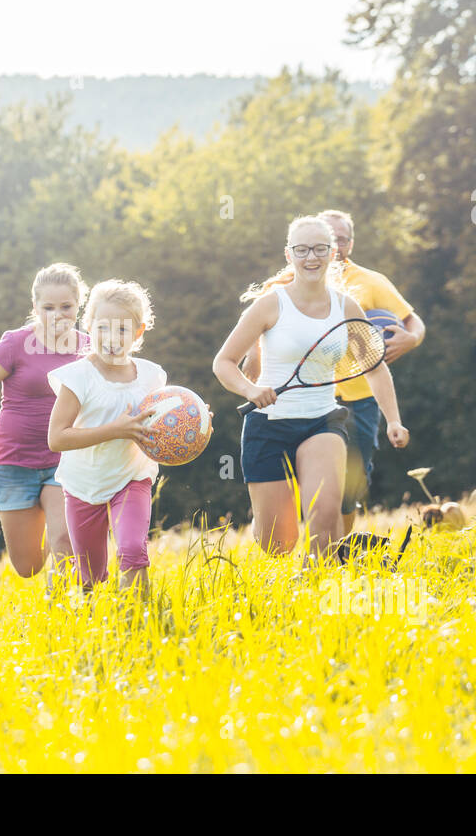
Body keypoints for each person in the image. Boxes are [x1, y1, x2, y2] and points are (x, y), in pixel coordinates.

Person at [213, 215, 409, 561]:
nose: (311, 257)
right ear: (289, 255)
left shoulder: (346, 307)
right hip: (267, 425)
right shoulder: (270, 304)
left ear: (333, 253)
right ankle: (272, 532)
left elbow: (375, 369)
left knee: (325, 515)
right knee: (278, 544)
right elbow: (223, 363)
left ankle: (316, 581)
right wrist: (249, 390)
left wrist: (393, 420)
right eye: (302, 250)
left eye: (320, 249)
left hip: (323, 421)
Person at [0, 263, 89, 586]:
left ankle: (63, 615)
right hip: (14, 462)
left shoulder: (88, 348)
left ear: (79, 306)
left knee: (65, 542)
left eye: (66, 307)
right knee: (27, 566)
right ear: (35, 308)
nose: (57, 314)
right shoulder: (16, 344)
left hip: (65, 459)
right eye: (48, 308)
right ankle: (47, 539)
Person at [46, 280, 165, 596]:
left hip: (131, 477)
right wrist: (116, 430)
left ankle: (138, 625)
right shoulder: (77, 377)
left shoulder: (152, 376)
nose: (112, 339)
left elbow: (167, 417)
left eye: (123, 330)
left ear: (139, 332)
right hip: (83, 485)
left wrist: (197, 420)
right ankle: (98, 628)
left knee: (132, 550)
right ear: (88, 325)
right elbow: (56, 438)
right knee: (90, 579)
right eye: (103, 328)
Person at [319, 210, 425, 537]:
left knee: (354, 481)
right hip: (314, 397)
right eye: (328, 237)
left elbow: (412, 322)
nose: (335, 244)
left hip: (361, 399)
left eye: (341, 238)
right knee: (320, 478)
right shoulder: (297, 281)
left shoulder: (370, 281)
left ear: (350, 242)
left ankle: (341, 551)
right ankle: (320, 551)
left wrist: (411, 339)